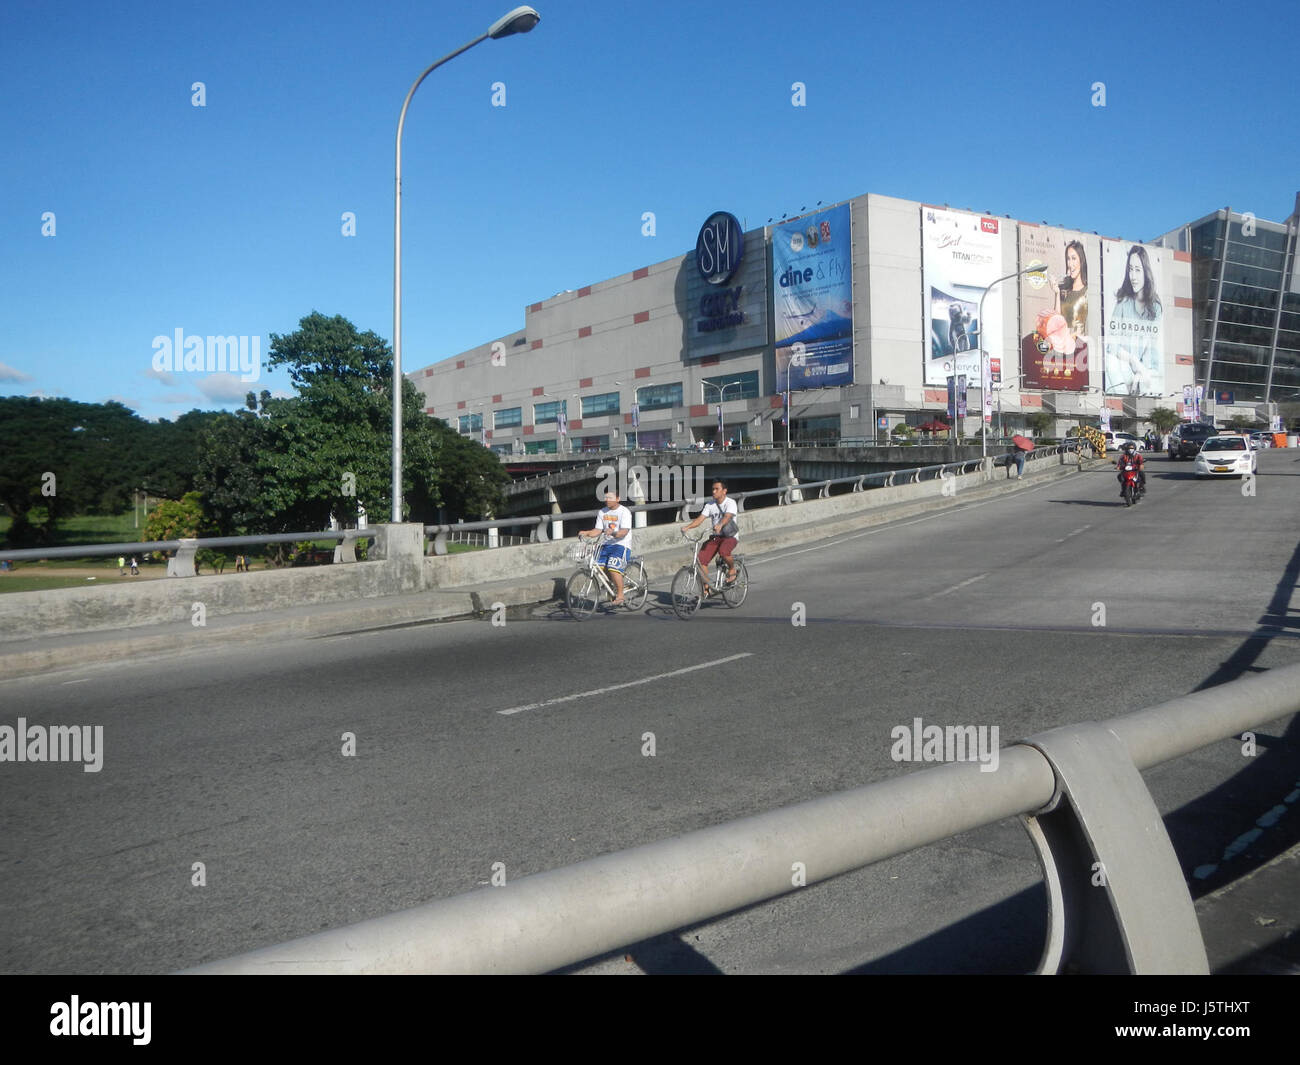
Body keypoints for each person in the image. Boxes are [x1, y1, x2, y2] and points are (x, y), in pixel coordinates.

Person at [1105, 245, 1163, 395]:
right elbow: (1112, 345)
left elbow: (1152, 347)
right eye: (1130, 269)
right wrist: (1132, 360)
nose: (1133, 276)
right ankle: (1122, 406)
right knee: (1110, 360)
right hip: (1127, 366)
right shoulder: (1123, 303)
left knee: (1149, 383)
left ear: (1146, 272)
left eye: (1138, 270)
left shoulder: (1156, 307)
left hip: (1148, 370)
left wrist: (1141, 370)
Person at [681, 480, 739, 589]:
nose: (713, 491)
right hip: (716, 537)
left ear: (724, 491)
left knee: (724, 551)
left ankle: (732, 569)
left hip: (730, 536)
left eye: (717, 489)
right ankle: (707, 588)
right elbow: (700, 519)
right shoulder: (709, 505)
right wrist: (687, 527)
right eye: (713, 489)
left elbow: (727, 516)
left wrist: (720, 524)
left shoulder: (730, 503)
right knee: (702, 559)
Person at [579, 490, 633, 606]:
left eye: (610, 497)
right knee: (599, 567)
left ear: (617, 499)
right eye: (606, 497)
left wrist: (613, 533)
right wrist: (587, 533)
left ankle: (620, 595)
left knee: (613, 568)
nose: (607, 500)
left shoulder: (624, 512)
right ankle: (613, 584)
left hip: (621, 545)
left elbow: (623, 532)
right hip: (606, 544)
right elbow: (597, 530)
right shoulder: (602, 512)